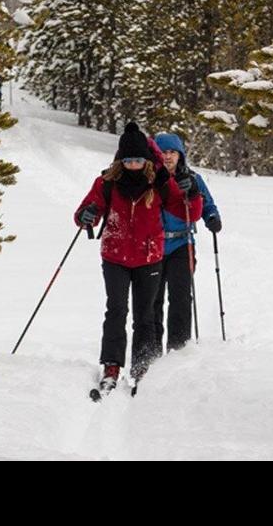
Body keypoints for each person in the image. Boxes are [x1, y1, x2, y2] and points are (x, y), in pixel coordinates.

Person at [74, 123, 202, 392]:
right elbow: (87, 210)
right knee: (116, 310)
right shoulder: (107, 182)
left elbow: (188, 212)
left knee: (145, 315)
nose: (133, 165)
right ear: (120, 160)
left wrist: (192, 192)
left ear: (146, 160)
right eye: (128, 161)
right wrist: (86, 216)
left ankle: (143, 367)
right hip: (115, 257)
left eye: (138, 160)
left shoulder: (159, 182)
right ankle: (111, 366)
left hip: (149, 258)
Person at [151, 133, 220, 353]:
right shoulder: (149, 178)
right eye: (163, 152)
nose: (168, 156)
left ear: (180, 155)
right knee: (152, 300)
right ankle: (151, 350)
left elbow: (208, 204)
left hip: (182, 244)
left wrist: (212, 217)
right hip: (153, 245)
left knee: (180, 297)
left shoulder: (192, 178)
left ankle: (178, 348)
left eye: (172, 152)